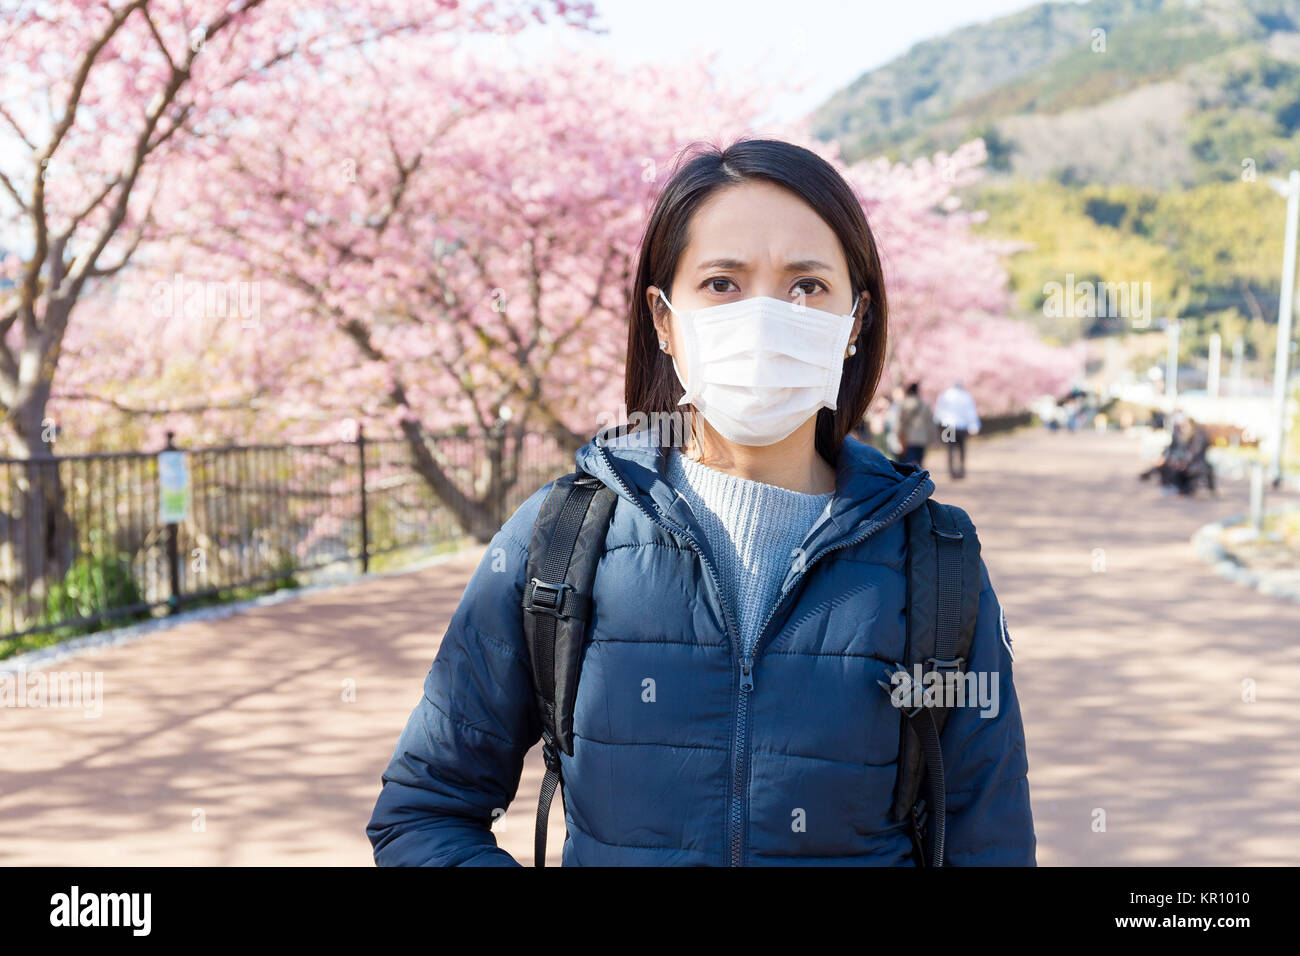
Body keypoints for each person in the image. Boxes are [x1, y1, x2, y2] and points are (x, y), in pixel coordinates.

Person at [366, 138, 1035, 867]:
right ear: (662, 319)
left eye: (807, 286)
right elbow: (426, 809)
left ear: (856, 321)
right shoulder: (560, 538)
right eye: (722, 283)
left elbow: (988, 840)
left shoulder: (935, 563)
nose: (765, 318)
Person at [935, 380, 981, 479]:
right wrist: (974, 426)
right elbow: (971, 412)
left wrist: (938, 422)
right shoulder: (966, 396)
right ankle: (961, 471)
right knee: (962, 449)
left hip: (949, 426)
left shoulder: (946, 394)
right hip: (961, 427)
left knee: (950, 448)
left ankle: (952, 472)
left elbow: (940, 410)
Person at [897, 381, 932, 466]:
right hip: (922, 438)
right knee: (919, 463)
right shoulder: (925, 405)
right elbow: (929, 423)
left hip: (908, 438)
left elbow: (901, 422)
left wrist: (899, 434)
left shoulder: (904, 404)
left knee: (909, 464)